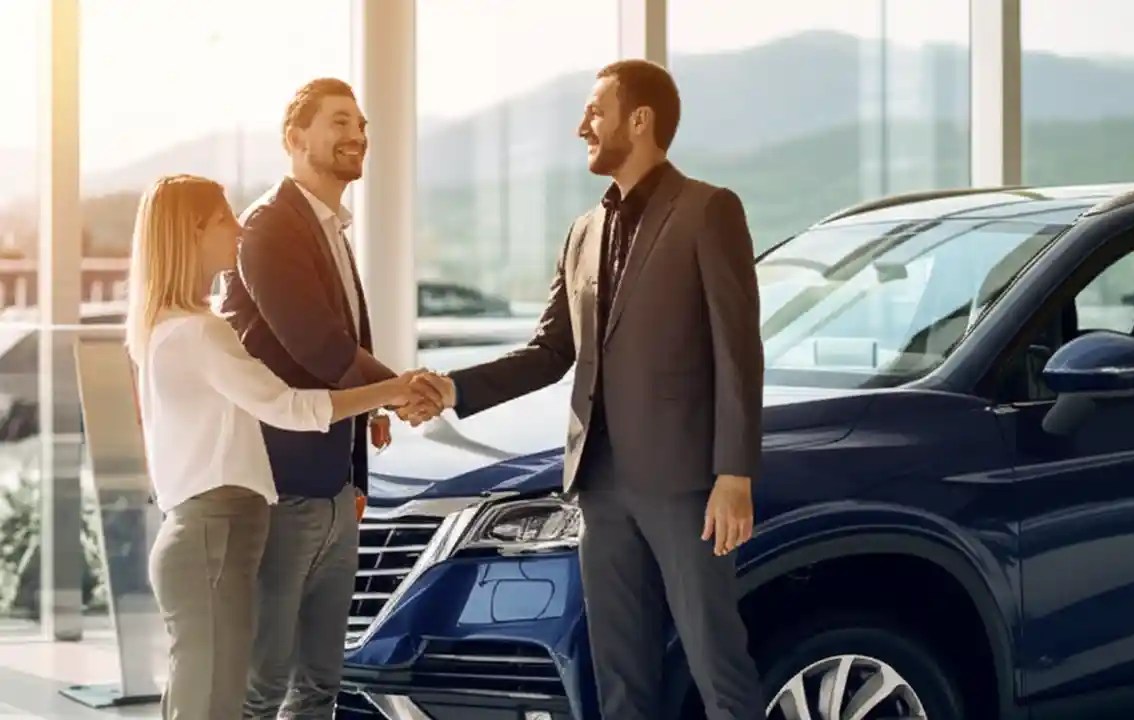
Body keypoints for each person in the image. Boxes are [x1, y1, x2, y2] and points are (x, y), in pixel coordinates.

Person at [420, 59, 766, 719]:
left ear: (640, 121)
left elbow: (738, 352)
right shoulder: (583, 230)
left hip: (685, 487)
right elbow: (550, 352)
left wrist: (734, 474)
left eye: (595, 112)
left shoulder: (708, 211)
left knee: (717, 663)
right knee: (620, 676)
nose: (583, 126)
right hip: (599, 487)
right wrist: (451, 389)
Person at [125, 174, 429, 719]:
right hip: (213, 534)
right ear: (193, 231)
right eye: (224, 219)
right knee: (215, 707)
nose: (238, 229)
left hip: (208, 534)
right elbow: (290, 408)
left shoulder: (167, 328)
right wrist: (391, 390)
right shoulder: (199, 333)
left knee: (207, 704)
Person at [218, 78, 443, 717]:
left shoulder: (330, 228)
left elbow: (340, 347)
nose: (357, 136)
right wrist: (398, 391)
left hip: (334, 491)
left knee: (320, 684)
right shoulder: (269, 227)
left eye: (361, 125)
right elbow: (320, 347)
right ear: (295, 139)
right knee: (261, 686)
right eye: (340, 122)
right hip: (281, 487)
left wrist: (360, 459)